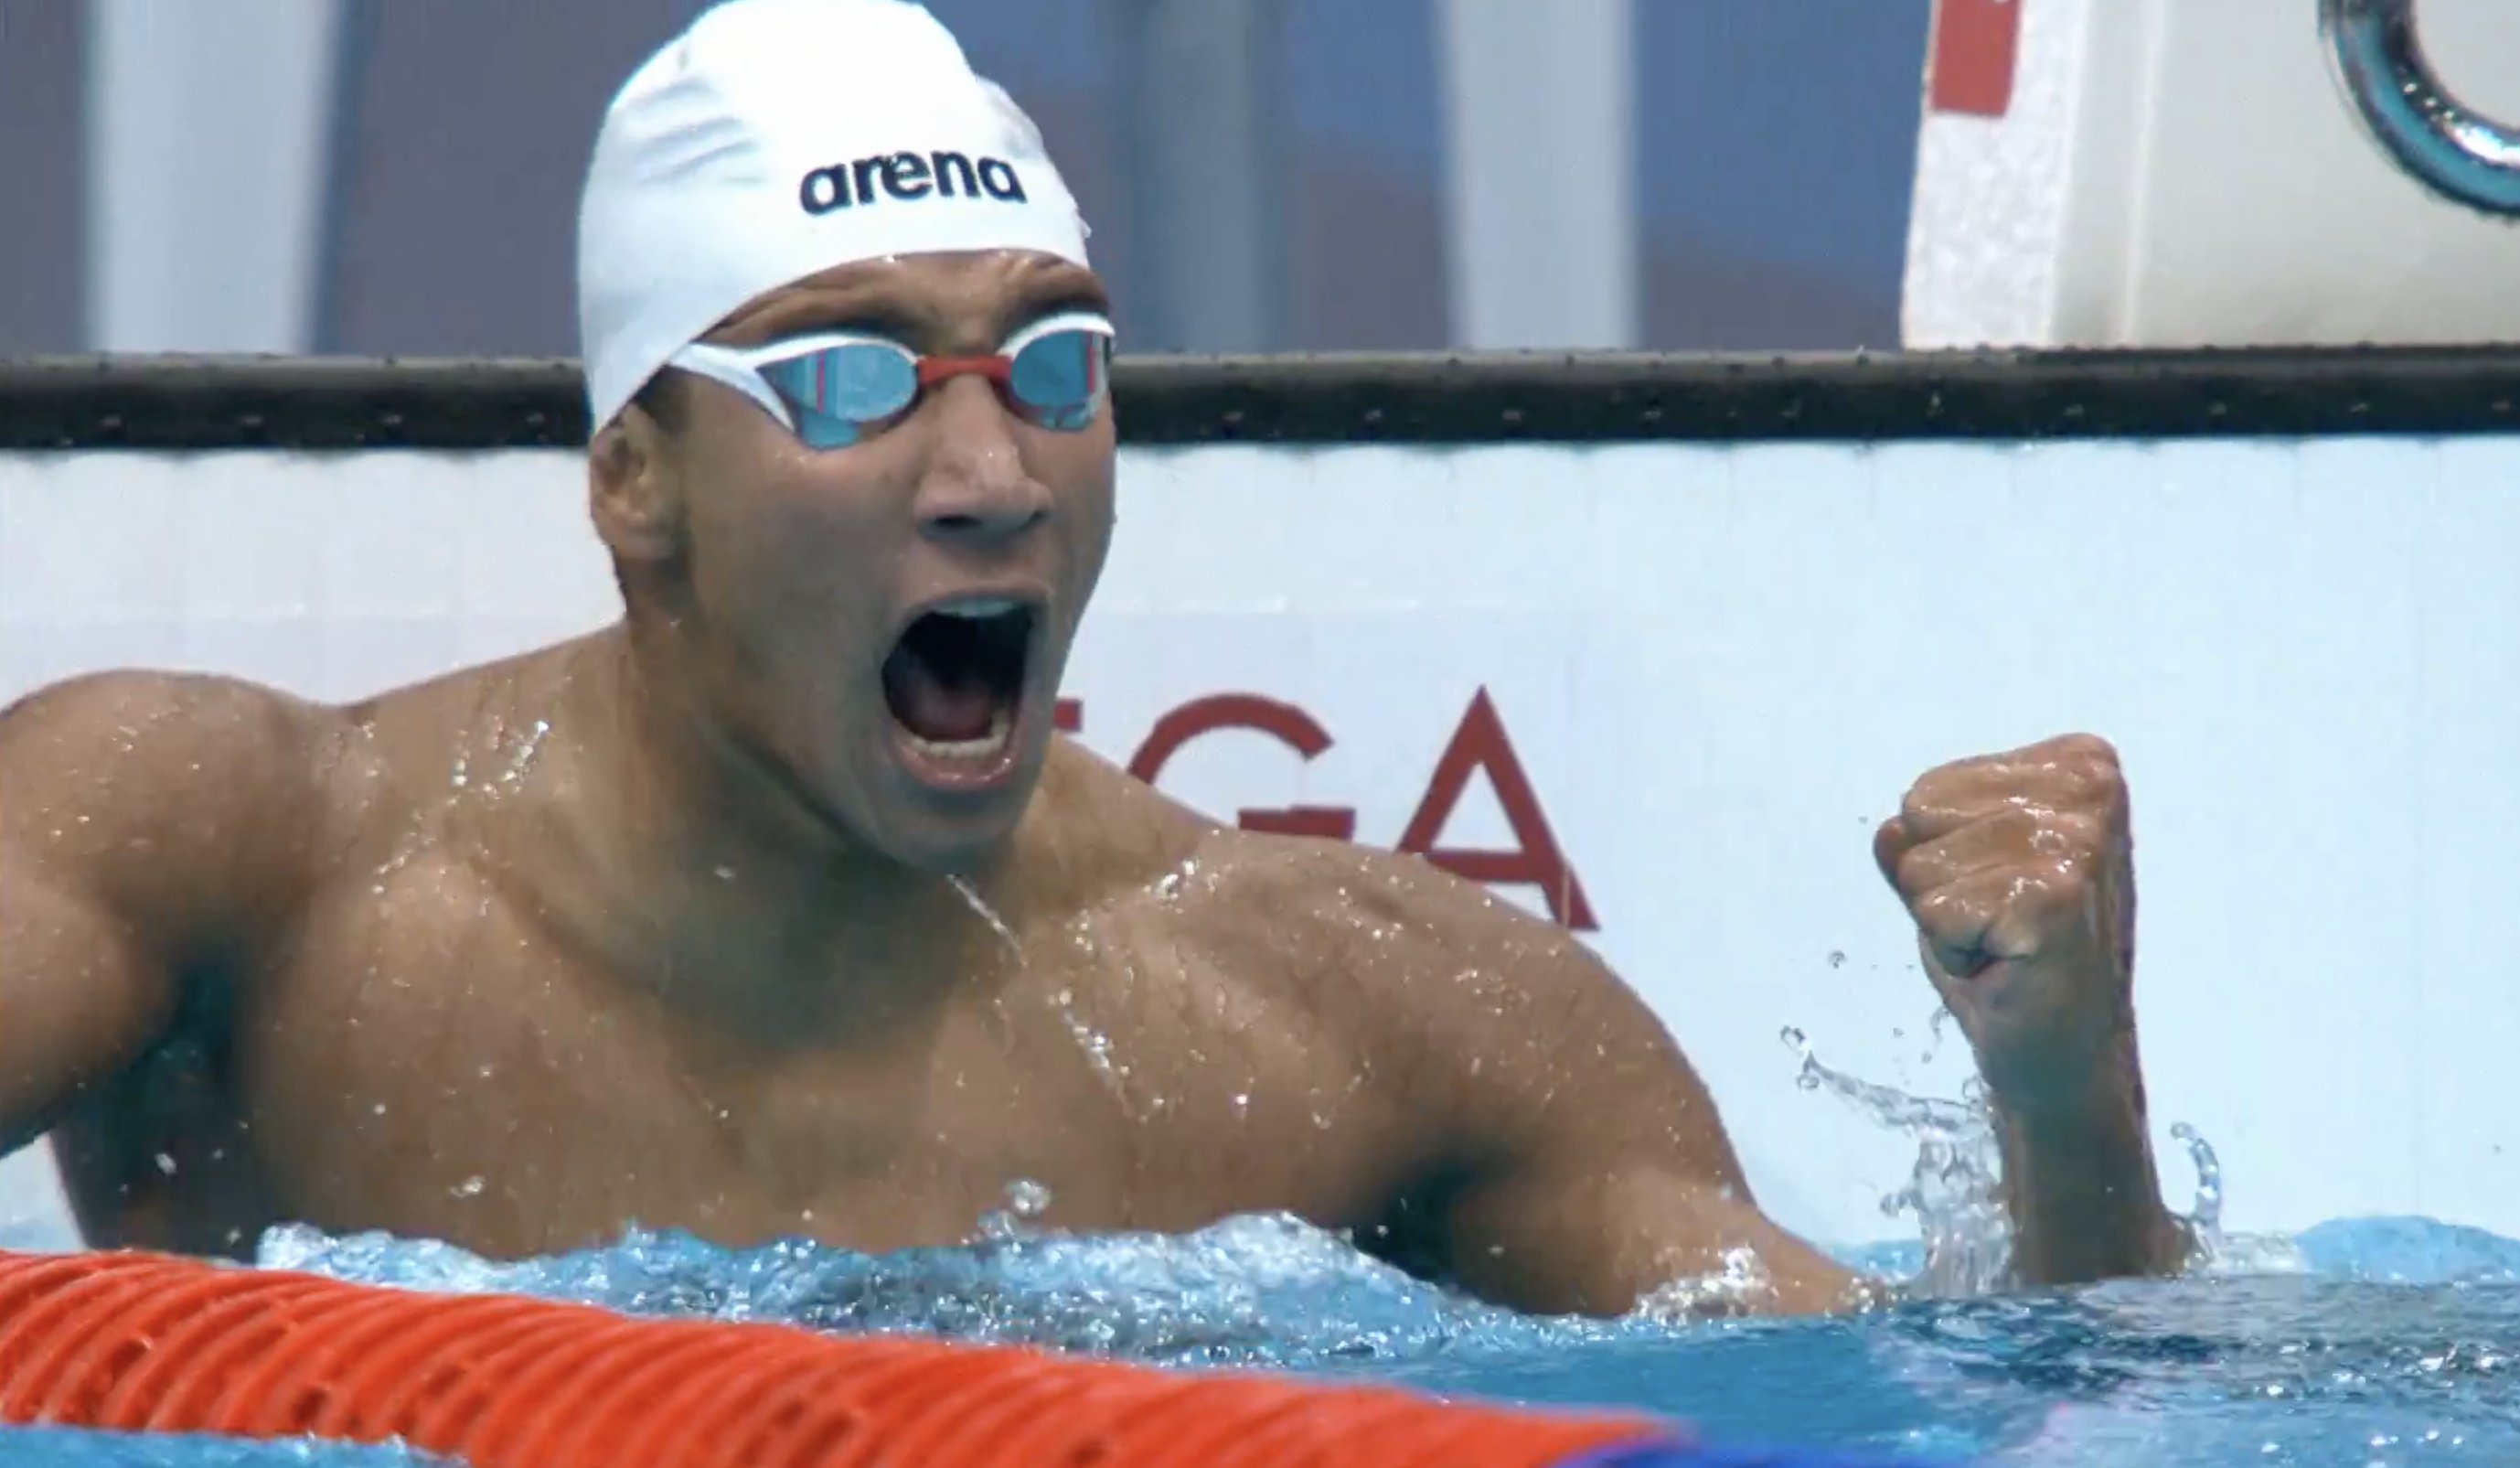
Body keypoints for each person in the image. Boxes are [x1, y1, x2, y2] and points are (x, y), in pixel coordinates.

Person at [0, 0, 2185, 1316]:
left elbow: (1951, 1431)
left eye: (1049, 362)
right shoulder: (237, 862)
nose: (989, 469)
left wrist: (2064, 1104)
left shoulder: (1349, 1014)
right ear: (637, 479)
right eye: (853, 384)